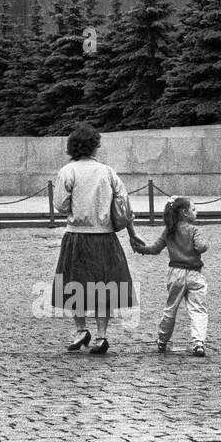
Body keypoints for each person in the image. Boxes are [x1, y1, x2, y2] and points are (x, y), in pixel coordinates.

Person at [51, 123, 144, 355]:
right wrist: (132, 235)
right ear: (95, 147)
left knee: (75, 284)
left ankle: (81, 329)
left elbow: (60, 205)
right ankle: (102, 335)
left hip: (77, 236)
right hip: (105, 237)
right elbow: (124, 206)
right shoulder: (108, 171)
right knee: (105, 286)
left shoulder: (67, 171)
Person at [133, 196, 209, 357]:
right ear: (185, 213)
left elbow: (154, 249)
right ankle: (198, 342)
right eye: (193, 209)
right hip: (195, 274)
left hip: (175, 273)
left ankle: (162, 339)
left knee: (171, 308)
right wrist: (205, 244)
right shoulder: (193, 230)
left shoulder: (169, 230)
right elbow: (201, 247)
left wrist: (140, 249)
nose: (196, 212)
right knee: (198, 309)